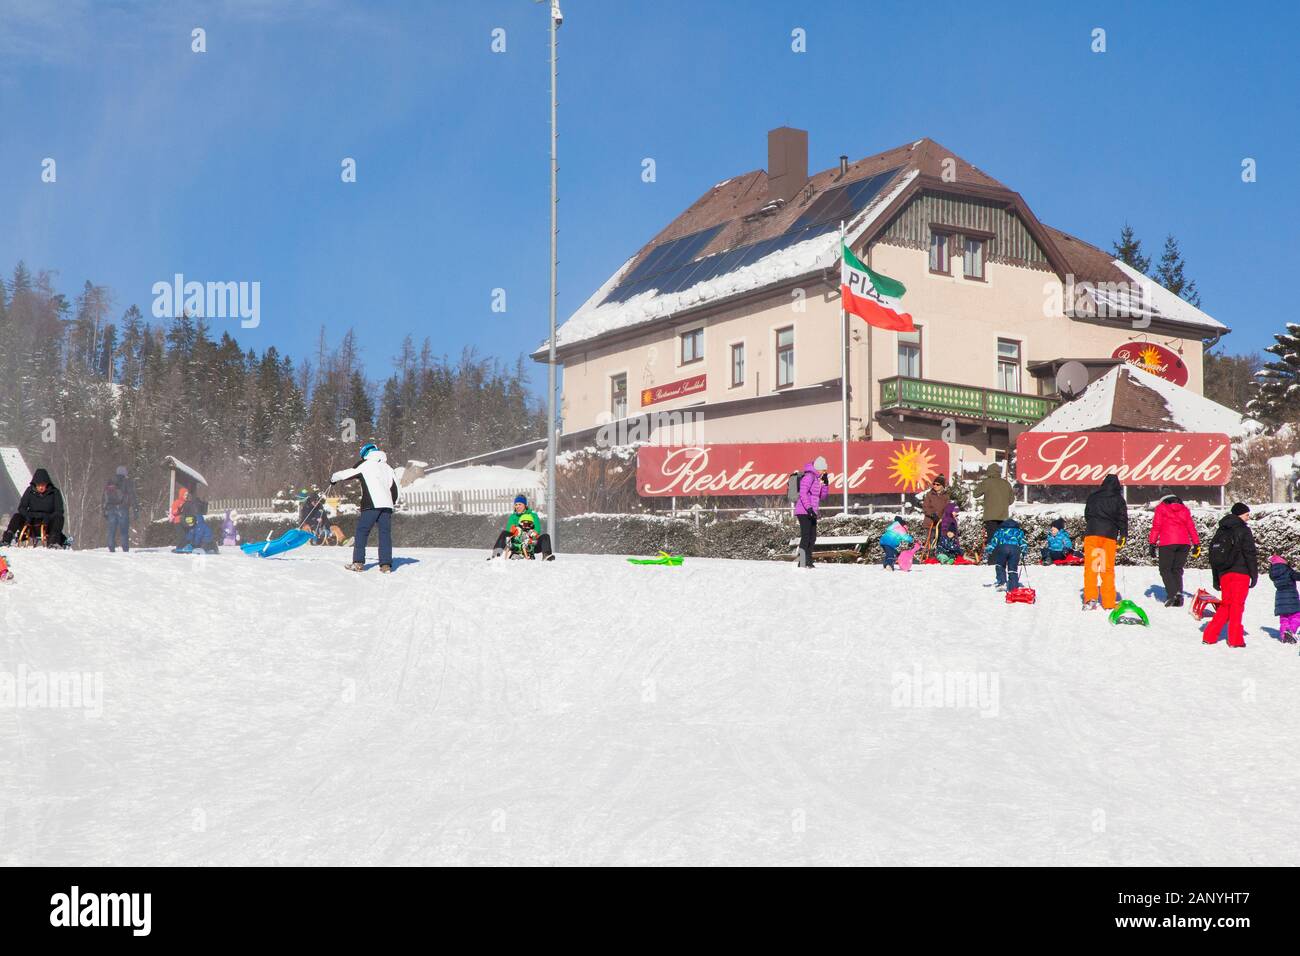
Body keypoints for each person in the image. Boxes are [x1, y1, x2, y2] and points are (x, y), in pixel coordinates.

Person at [331, 443, 400, 573]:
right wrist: (391, 503)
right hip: (387, 506)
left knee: (362, 532)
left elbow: (348, 473)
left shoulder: (365, 464)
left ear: (365, 454)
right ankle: (385, 565)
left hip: (371, 504)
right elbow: (396, 489)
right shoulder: (388, 468)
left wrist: (334, 478)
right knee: (385, 535)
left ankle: (358, 563)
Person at [1204, 502, 1257, 648]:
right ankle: (1235, 639)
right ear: (1240, 514)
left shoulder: (1221, 530)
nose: (1248, 518)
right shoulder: (1243, 530)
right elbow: (1250, 553)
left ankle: (1209, 635)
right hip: (1241, 573)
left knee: (1226, 605)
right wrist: (1254, 574)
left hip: (1224, 574)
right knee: (1237, 606)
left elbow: (1213, 556)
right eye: (1247, 515)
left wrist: (1216, 578)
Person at [1082, 474, 1127, 610]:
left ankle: (1090, 599)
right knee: (1107, 569)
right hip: (1109, 536)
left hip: (1092, 534)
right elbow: (1122, 518)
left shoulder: (1093, 496)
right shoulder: (1119, 499)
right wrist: (1123, 534)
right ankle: (1108, 602)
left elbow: (1087, 514)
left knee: (1092, 567)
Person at [1149, 493, 1201, 607]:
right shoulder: (1184, 509)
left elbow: (1156, 526)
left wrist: (1152, 543)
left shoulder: (1161, 508)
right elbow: (1191, 527)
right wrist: (1196, 544)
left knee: (1165, 569)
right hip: (1184, 543)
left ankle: (1173, 594)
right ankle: (1179, 597)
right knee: (1177, 569)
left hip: (1168, 542)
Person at [2, 468, 67, 548]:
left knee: (59, 518)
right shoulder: (29, 491)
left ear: (47, 484)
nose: (41, 487)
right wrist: (27, 516)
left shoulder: (54, 493)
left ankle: (53, 542)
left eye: (43, 485)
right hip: (31, 523)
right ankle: (7, 539)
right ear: (35, 484)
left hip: (48, 524)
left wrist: (48, 517)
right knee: (17, 516)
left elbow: (59, 510)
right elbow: (22, 507)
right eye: (38, 485)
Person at [490, 495, 555, 560]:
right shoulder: (513, 517)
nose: (517, 506)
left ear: (525, 505)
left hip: (531, 543)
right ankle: (496, 555)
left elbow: (537, 529)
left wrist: (531, 535)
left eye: (520, 504)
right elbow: (509, 530)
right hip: (517, 544)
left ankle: (546, 555)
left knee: (545, 536)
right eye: (516, 505)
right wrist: (518, 532)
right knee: (505, 533)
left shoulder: (533, 515)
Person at [793, 456, 830, 569]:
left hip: (812, 511)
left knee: (812, 537)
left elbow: (822, 496)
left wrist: (825, 485)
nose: (825, 471)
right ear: (818, 468)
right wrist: (809, 508)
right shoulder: (809, 476)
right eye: (823, 469)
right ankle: (803, 562)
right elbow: (803, 493)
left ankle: (808, 561)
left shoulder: (817, 478)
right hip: (804, 511)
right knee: (806, 536)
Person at [973, 463, 1014, 547]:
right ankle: (1001, 559)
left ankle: (992, 559)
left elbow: (975, 494)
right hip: (1003, 516)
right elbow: (1011, 500)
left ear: (989, 471)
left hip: (990, 516)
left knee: (992, 539)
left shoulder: (987, 482)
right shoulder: (1006, 483)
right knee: (1001, 539)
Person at [985, 515, 1029, 591]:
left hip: (1003, 548)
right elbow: (1023, 542)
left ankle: (1002, 582)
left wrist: (989, 549)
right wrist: (1024, 550)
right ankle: (1013, 586)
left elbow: (994, 540)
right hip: (1015, 550)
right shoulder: (1018, 531)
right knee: (1012, 568)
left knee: (1000, 565)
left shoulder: (1000, 530)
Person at [1267, 554, 1300, 645]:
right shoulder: (1287, 570)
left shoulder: (1274, 574)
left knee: (1284, 618)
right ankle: (1291, 631)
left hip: (1280, 598)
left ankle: (1284, 634)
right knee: (1297, 615)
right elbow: (1297, 576)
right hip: (1291, 596)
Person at [920, 475, 951, 557]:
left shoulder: (946, 496)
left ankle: (939, 556)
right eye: (934, 484)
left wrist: (943, 518)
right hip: (930, 522)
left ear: (942, 486)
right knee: (930, 540)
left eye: (938, 484)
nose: (935, 486)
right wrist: (932, 514)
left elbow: (947, 508)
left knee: (939, 540)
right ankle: (929, 556)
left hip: (940, 523)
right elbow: (925, 506)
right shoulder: (929, 494)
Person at [103, 474, 131, 553]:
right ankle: (125, 548)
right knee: (124, 530)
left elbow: (104, 499)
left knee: (111, 530)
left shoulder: (109, 483)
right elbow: (130, 496)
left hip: (111, 509)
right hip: (122, 509)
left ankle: (111, 547)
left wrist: (105, 511)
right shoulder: (125, 482)